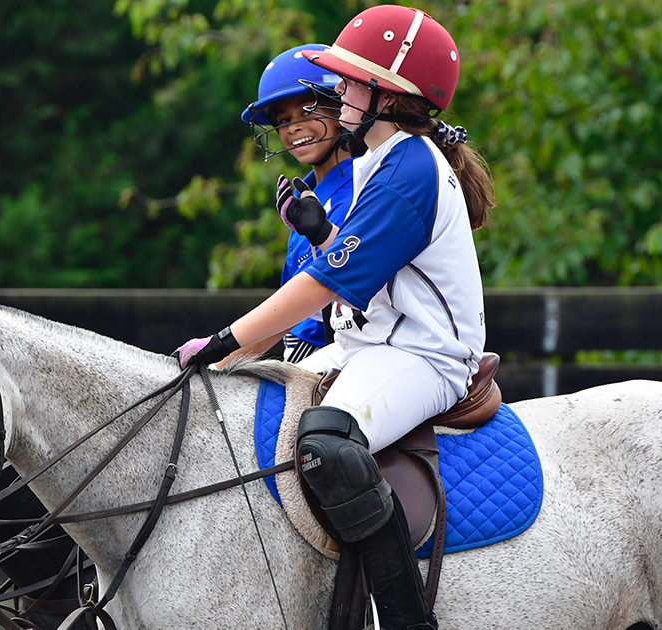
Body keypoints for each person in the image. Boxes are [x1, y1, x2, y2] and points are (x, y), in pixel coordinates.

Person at [177, 6, 494, 629]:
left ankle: (405, 619)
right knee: (240, 415)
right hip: (366, 348)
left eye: (349, 81)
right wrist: (230, 360)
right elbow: (345, 284)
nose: (339, 92)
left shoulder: (409, 167)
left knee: (325, 442)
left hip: (424, 359)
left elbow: (327, 284)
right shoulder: (382, 161)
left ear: (385, 93)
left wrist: (224, 340)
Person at [237, 43, 358, 364]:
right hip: (305, 357)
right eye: (282, 120)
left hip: (353, 352)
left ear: (340, 108)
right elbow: (287, 316)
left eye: (307, 111)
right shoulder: (305, 203)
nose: (293, 128)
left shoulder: (367, 186)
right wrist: (217, 360)